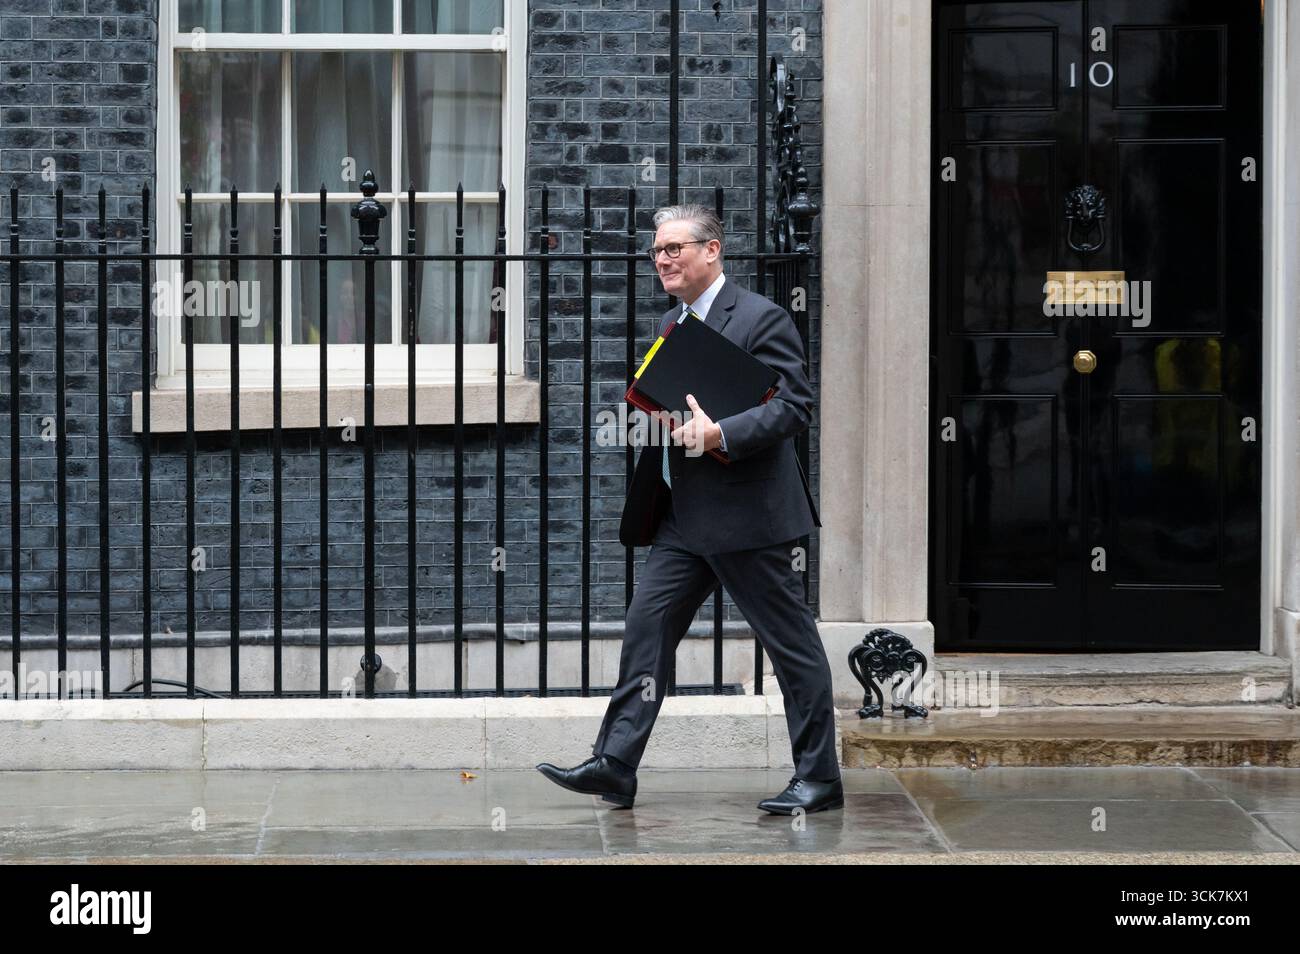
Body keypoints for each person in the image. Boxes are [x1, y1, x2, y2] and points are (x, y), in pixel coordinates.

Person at [536, 204, 841, 815]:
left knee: (792, 647)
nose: (664, 260)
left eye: (676, 248)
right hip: (683, 516)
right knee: (646, 631)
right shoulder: (674, 324)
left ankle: (819, 779)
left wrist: (720, 433)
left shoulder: (761, 317)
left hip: (748, 519)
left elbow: (793, 406)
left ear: (712, 250)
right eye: (657, 251)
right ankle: (617, 764)